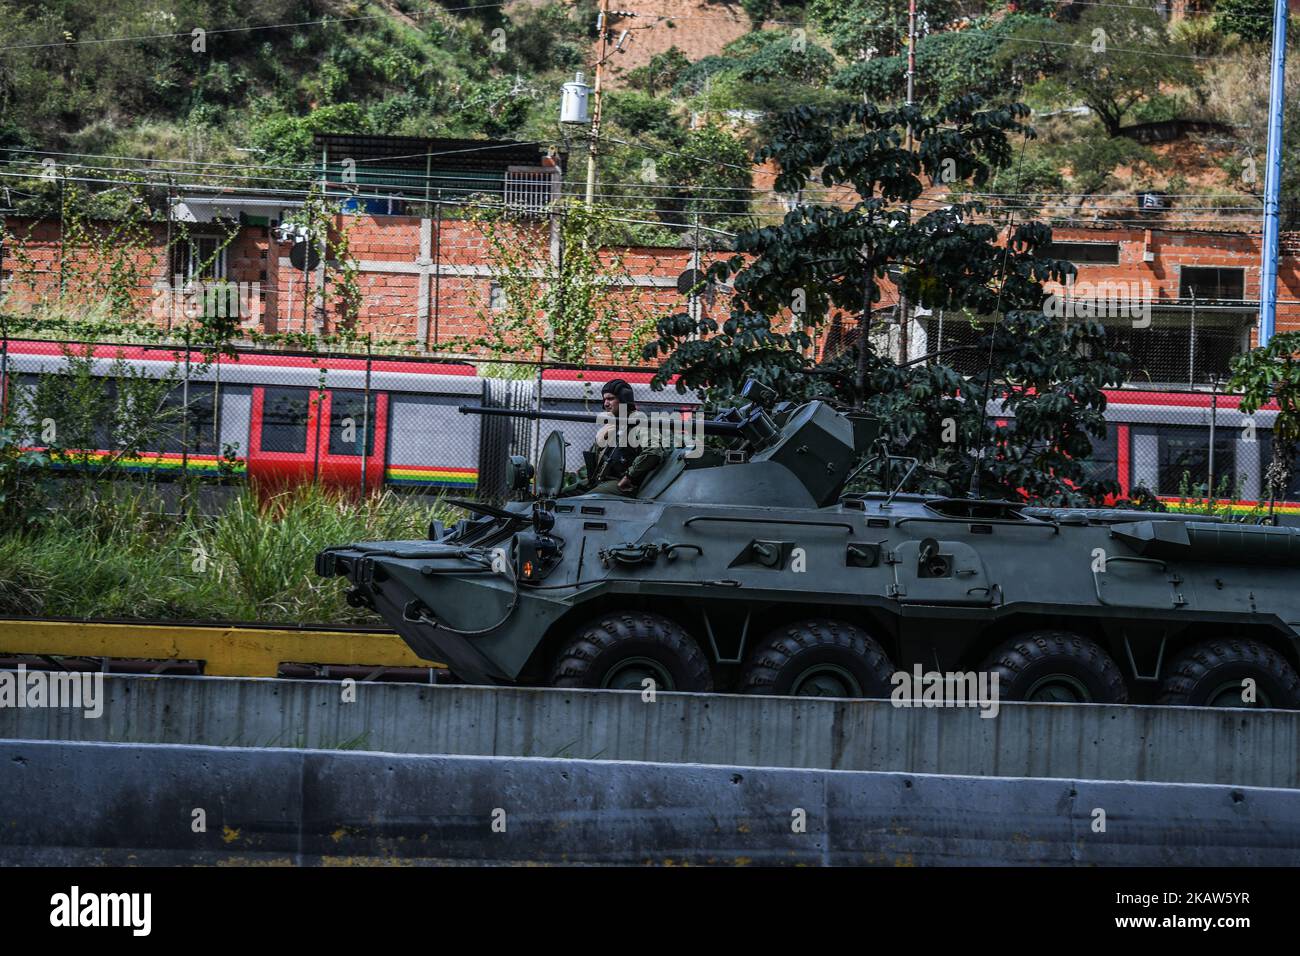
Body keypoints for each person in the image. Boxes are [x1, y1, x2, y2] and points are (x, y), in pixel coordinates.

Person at [560, 378, 666, 496]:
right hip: (600, 480)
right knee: (561, 495)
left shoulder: (638, 422)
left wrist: (629, 476)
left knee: (586, 500)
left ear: (624, 399)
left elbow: (654, 450)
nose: (605, 404)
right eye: (604, 399)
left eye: (610, 399)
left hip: (623, 483)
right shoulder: (615, 424)